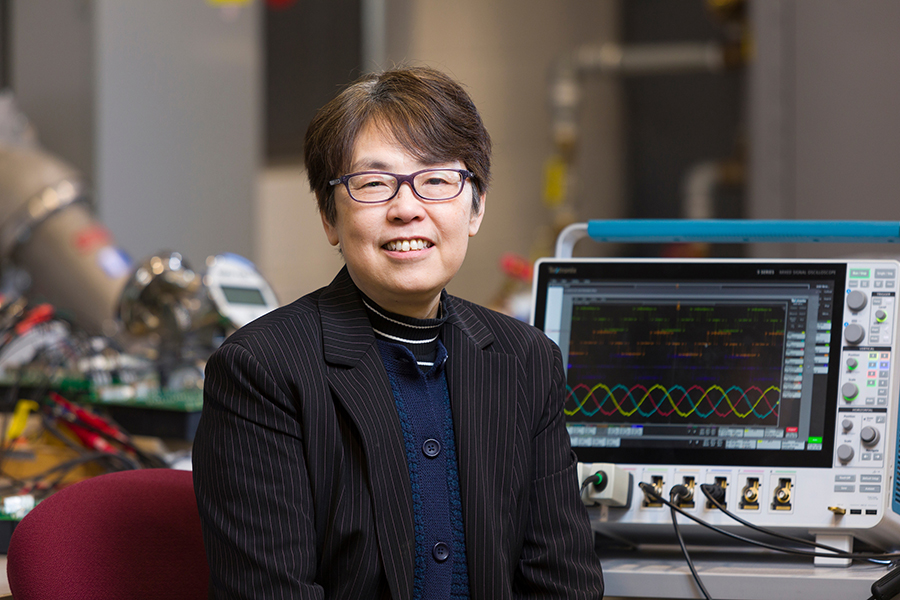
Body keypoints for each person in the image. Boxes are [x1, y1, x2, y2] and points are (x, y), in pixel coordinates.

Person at [193, 66, 604, 599]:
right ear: (329, 217)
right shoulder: (262, 369)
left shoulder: (525, 361)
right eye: (373, 183)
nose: (407, 208)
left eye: (436, 180)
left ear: (475, 207)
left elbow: (563, 584)